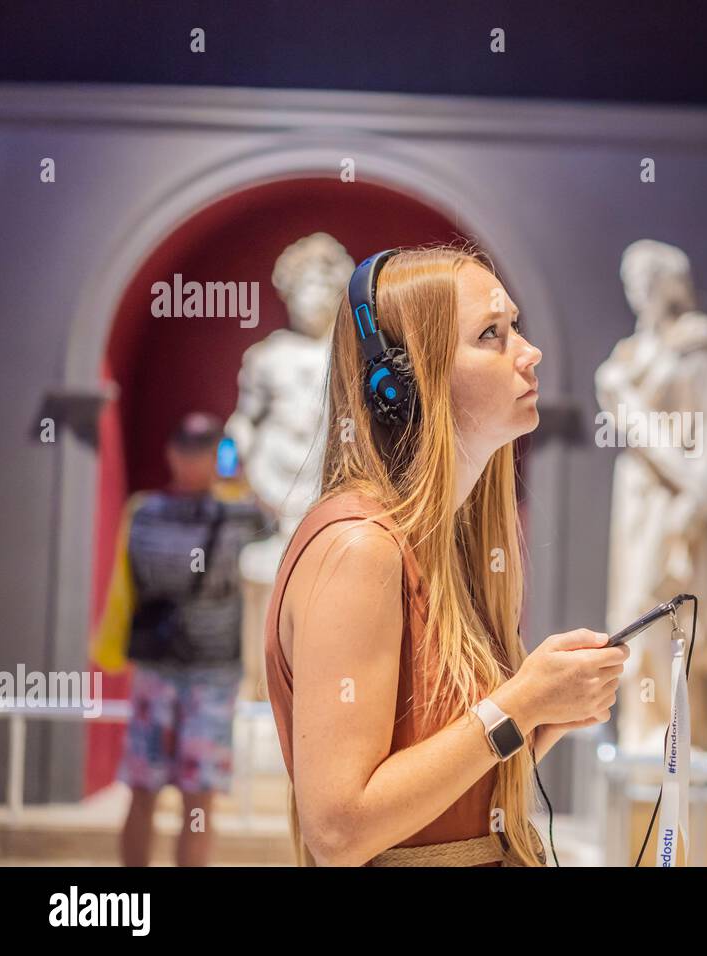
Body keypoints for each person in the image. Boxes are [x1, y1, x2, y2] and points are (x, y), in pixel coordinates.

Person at [265, 244, 629, 867]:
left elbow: (438, 811)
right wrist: (519, 703)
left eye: (514, 326)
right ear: (399, 384)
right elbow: (339, 831)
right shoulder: (360, 549)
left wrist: (540, 719)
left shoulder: (445, 543)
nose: (529, 350)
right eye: (492, 334)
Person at [93, 411, 273, 866]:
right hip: (193, 673)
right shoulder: (234, 516)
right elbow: (271, 521)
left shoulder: (144, 512)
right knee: (181, 795)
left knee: (162, 791)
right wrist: (237, 478)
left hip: (178, 670)